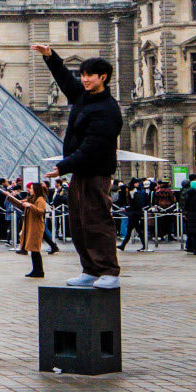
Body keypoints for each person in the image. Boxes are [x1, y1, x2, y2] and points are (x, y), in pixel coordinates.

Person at [35, 45, 123, 289]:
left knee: (96, 221)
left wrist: (63, 167)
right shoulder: (84, 97)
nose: (83, 79)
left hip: (96, 172)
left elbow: (92, 147)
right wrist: (50, 57)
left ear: (102, 77)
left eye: (88, 75)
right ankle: (90, 269)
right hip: (81, 171)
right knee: (78, 223)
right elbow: (65, 80)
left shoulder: (107, 109)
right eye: (82, 74)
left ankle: (109, 271)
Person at [9, 183, 49, 278]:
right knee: (33, 249)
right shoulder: (32, 199)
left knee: (35, 249)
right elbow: (21, 203)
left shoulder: (40, 199)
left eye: (31, 188)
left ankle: (39, 271)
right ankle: (36, 270)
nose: (29, 190)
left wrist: (30, 206)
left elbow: (40, 211)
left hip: (36, 227)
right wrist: (10, 197)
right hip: (31, 226)